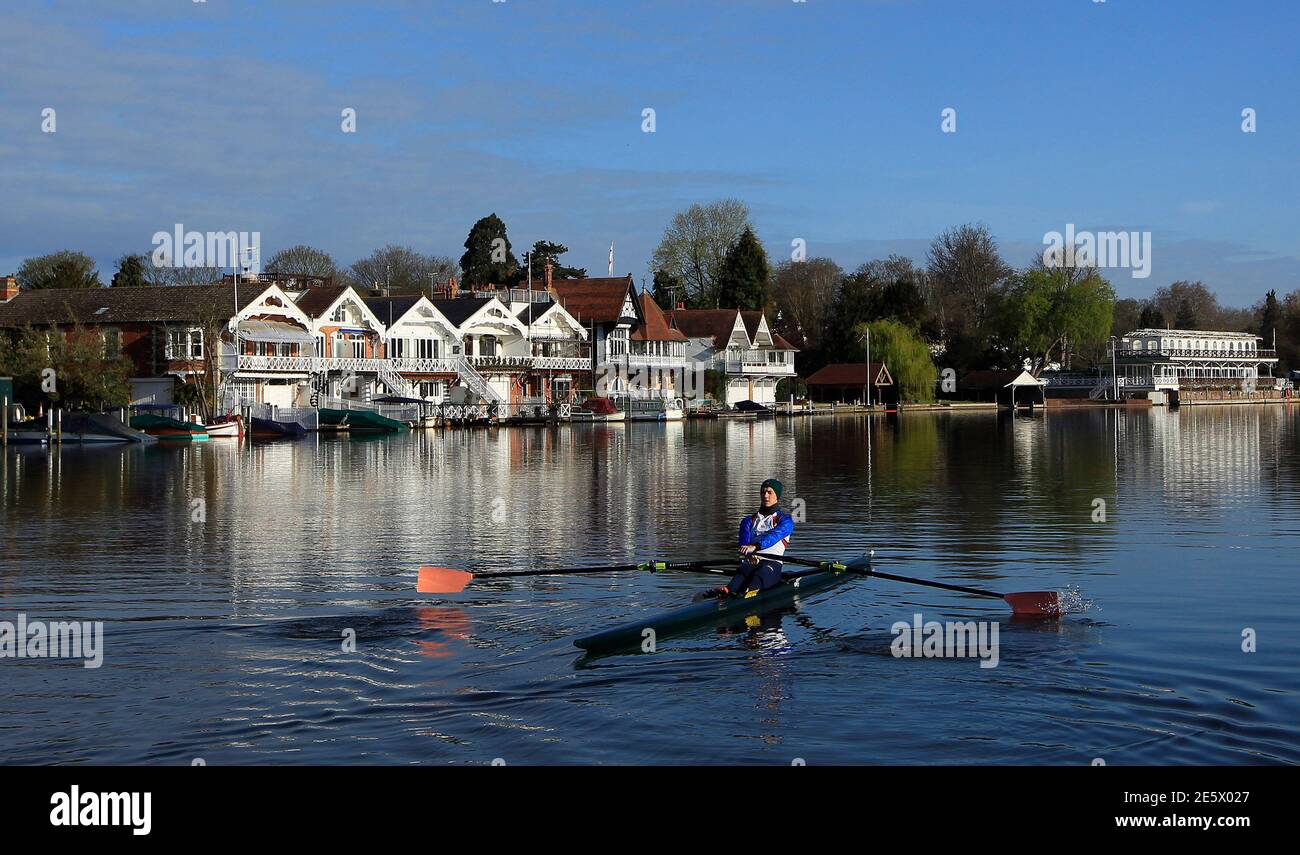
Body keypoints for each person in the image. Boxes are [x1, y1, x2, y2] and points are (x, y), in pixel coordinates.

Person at [703, 478, 793, 598]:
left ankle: (746, 594)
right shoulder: (748, 521)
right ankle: (725, 593)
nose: (765, 495)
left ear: (777, 496)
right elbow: (743, 542)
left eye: (769, 492)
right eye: (763, 492)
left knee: (755, 583)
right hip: (750, 562)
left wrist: (755, 547)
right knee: (732, 586)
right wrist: (748, 553)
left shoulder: (785, 520)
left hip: (771, 563)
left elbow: (774, 536)